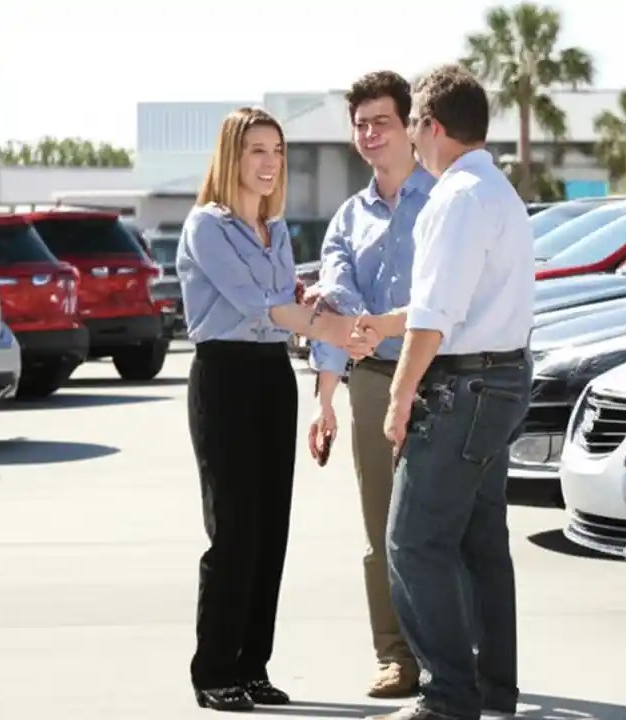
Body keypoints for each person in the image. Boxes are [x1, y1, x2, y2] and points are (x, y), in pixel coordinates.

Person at [177, 106, 375, 712]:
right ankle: (215, 671)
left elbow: (286, 304)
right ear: (231, 156)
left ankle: (252, 667)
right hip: (225, 377)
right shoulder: (207, 225)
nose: (270, 163)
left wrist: (317, 318)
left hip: (271, 376)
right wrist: (337, 330)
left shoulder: (278, 229)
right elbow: (260, 305)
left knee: (270, 531)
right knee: (234, 530)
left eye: (278, 151)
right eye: (257, 150)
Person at [356, 64, 535, 720]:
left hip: (463, 389)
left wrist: (399, 398)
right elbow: (456, 301)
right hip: (500, 379)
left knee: (412, 543)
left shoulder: (455, 197)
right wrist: (387, 324)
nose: (408, 138)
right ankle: (492, 689)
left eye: (410, 126)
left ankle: (449, 697)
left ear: (430, 126)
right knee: (480, 542)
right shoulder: (497, 190)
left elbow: (436, 318)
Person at [303, 70, 435, 699]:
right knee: (381, 526)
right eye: (360, 124)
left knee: (442, 526)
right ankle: (395, 655)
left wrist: (371, 324)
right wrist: (325, 398)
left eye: (382, 121)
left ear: (409, 125)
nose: (370, 133)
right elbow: (334, 295)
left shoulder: (443, 199)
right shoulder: (349, 217)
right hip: (374, 378)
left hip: (440, 377)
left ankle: (455, 656)